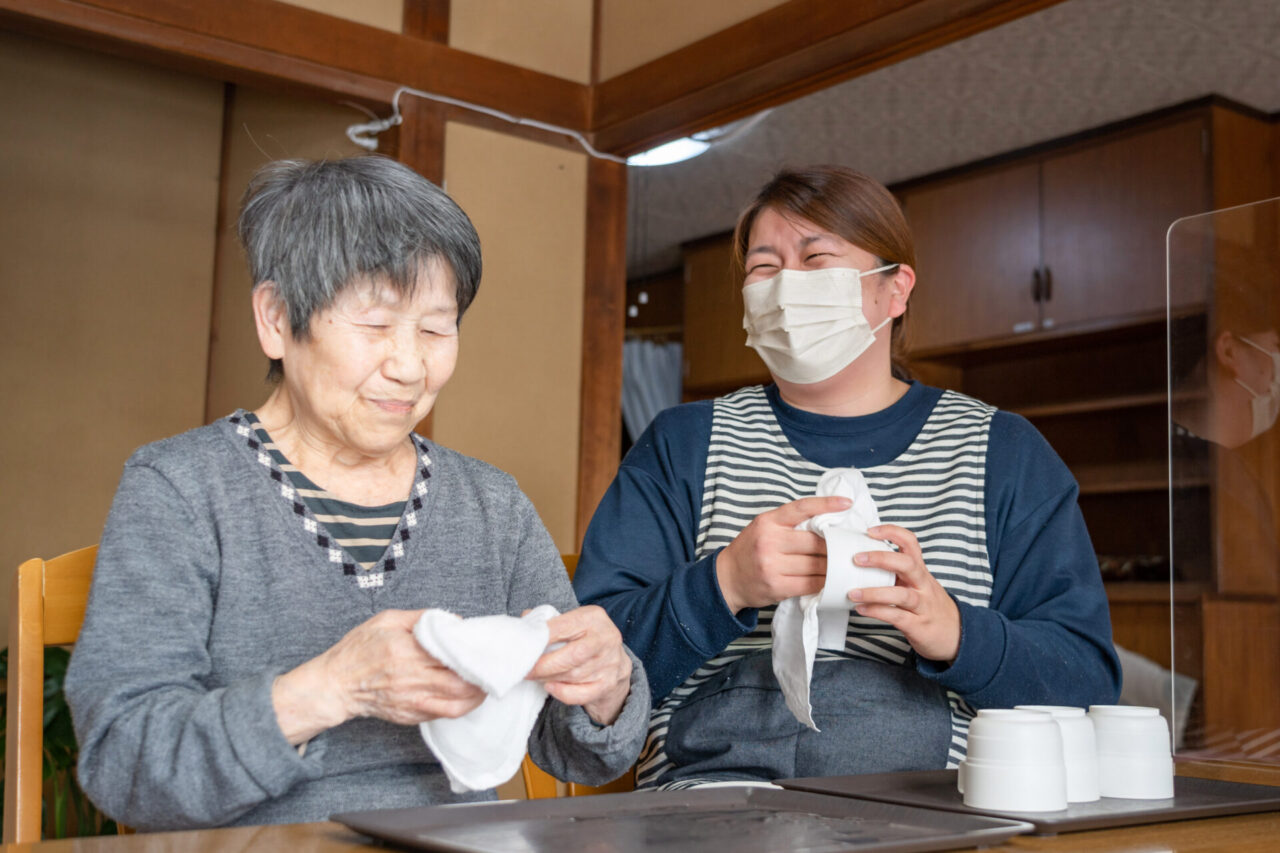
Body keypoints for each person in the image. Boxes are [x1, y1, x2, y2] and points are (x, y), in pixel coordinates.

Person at [65, 156, 648, 830]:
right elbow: (123, 761)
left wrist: (608, 686)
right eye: (375, 324)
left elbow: (582, 752)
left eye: (435, 328)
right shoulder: (180, 490)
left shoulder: (492, 505)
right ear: (278, 318)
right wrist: (333, 686)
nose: (409, 365)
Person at [572, 165, 1121, 789]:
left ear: (894, 290)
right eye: (763, 268)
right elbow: (584, 665)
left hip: (936, 810)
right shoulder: (682, 443)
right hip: (711, 804)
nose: (785, 287)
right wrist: (725, 583)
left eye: (817, 259)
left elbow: (1086, 682)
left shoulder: (1004, 452)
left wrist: (954, 632)